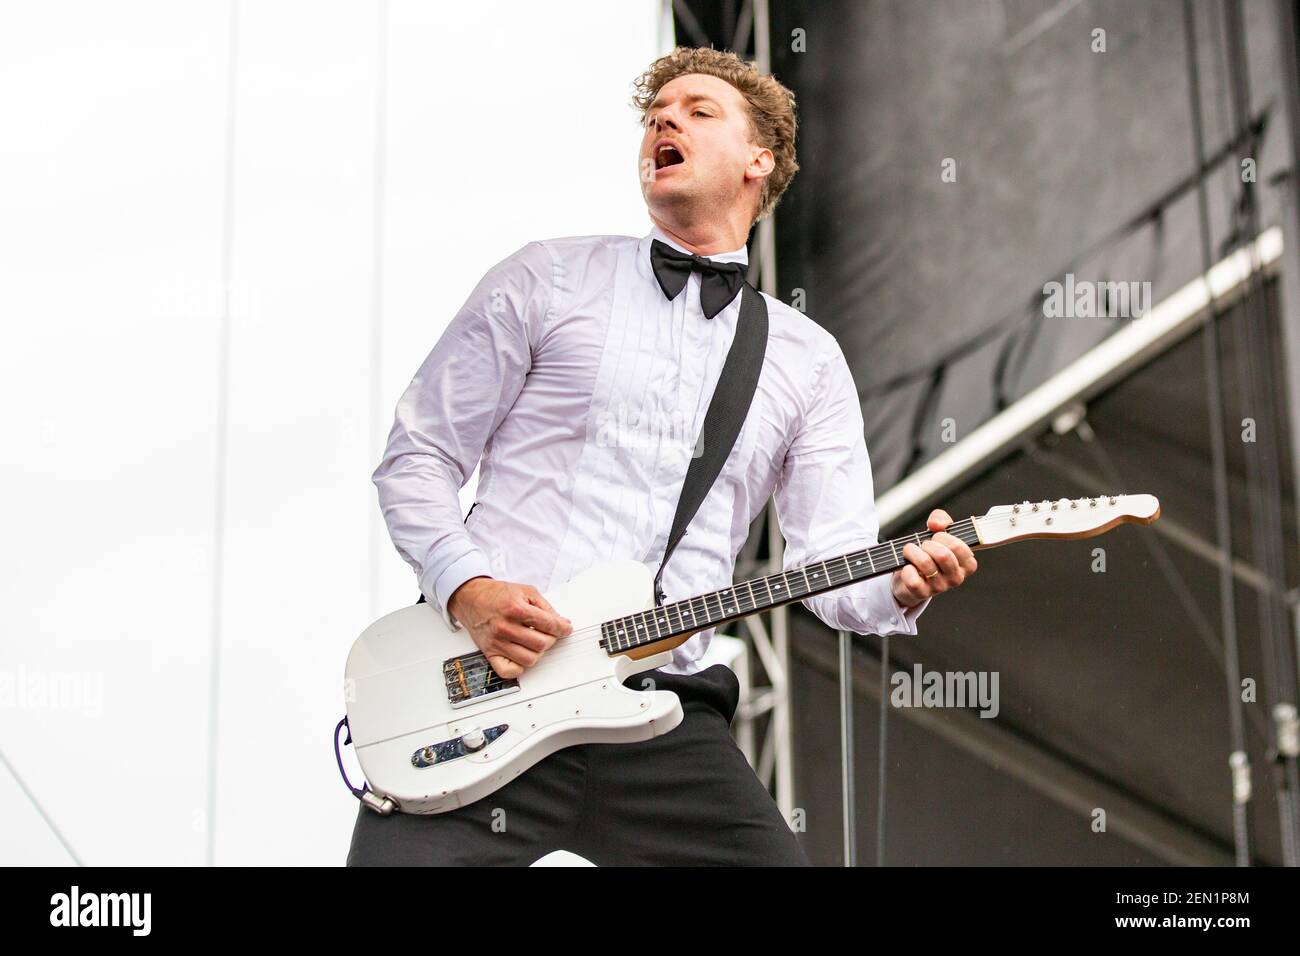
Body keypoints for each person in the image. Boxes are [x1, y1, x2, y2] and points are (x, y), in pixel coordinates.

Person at [347, 46, 978, 867]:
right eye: (655, 115)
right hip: (479, 696)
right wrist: (468, 588)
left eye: (697, 110)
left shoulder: (807, 360)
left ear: (761, 160)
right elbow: (416, 458)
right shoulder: (545, 280)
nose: (664, 121)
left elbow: (833, 563)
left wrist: (899, 580)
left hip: (663, 720)